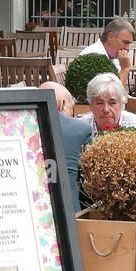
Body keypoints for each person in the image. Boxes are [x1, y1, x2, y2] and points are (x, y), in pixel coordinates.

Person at [40, 81, 91, 210]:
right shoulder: (79, 129)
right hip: (68, 215)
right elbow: (91, 180)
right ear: (61, 105)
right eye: (72, 109)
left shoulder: (15, 126)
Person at [79, 72, 136, 140]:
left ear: (121, 104)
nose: (106, 109)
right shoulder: (80, 127)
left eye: (112, 103)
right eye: (99, 103)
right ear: (91, 105)